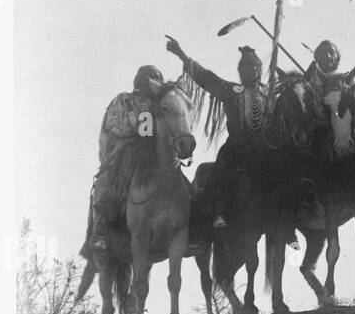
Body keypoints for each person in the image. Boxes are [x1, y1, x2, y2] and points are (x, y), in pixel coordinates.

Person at [165, 37, 272, 229]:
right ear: (240, 71)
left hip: (263, 147)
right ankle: (220, 213)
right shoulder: (231, 90)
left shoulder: (269, 95)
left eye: (254, 67)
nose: (250, 70)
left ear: (259, 70)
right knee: (222, 169)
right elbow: (206, 78)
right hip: (237, 146)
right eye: (245, 67)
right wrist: (181, 54)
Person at [85, 65, 165, 255]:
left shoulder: (162, 103)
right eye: (149, 79)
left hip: (154, 153)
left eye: (155, 80)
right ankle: (100, 231)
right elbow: (112, 125)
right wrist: (132, 133)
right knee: (105, 182)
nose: (151, 84)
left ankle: (190, 230)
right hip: (126, 150)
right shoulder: (124, 99)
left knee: (180, 182)